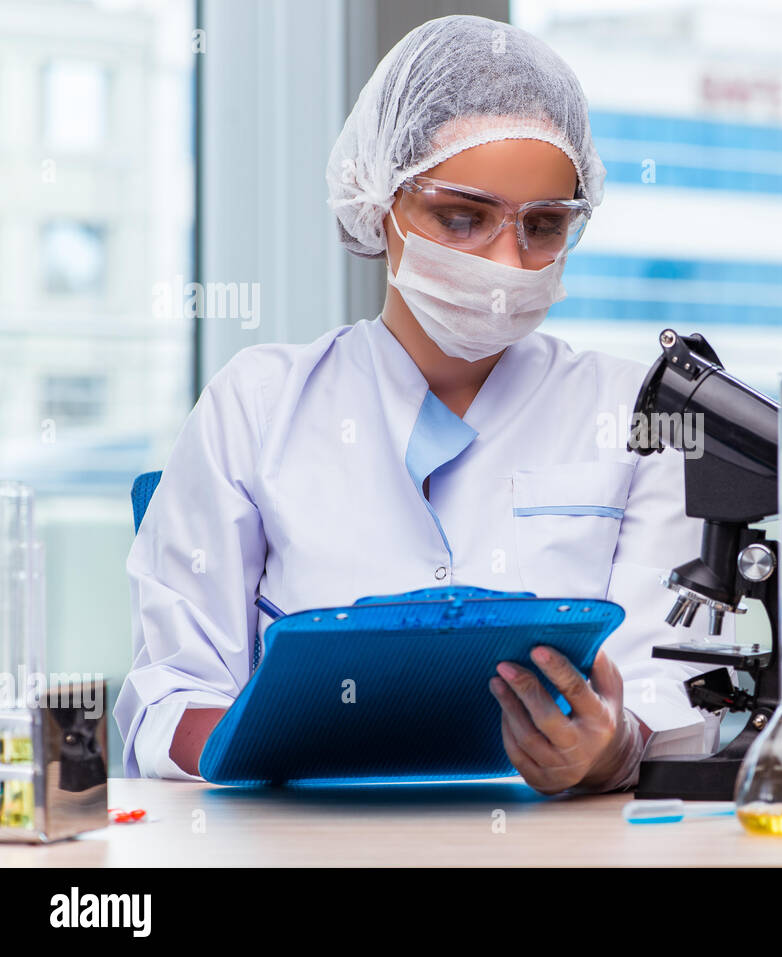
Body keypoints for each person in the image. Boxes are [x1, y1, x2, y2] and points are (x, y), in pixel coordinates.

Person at [113, 14, 729, 795]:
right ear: (378, 202)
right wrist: (276, 737)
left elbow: (663, 698)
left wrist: (609, 750)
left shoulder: (639, 417)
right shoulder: (258, 405)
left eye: (543, 226)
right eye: (463, 217)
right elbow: (167, 697)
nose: (508, 262)